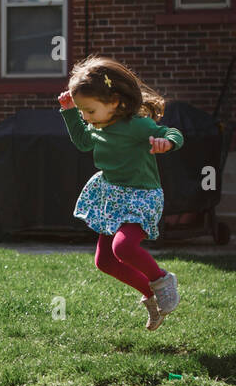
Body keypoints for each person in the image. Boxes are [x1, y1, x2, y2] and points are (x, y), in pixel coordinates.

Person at [58, 55, 184, 330]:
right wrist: (69, 112)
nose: (85, 117)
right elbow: (81, 142)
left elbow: (173, 132)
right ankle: (150, 296)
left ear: (114, 102)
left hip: (140, 196)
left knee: (123, 247)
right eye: (82, 111)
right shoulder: (97, 125)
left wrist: (167, 143)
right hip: (111, 196)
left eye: (89, 111)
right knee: (105, 261)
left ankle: (162, 279)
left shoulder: (137, 126)